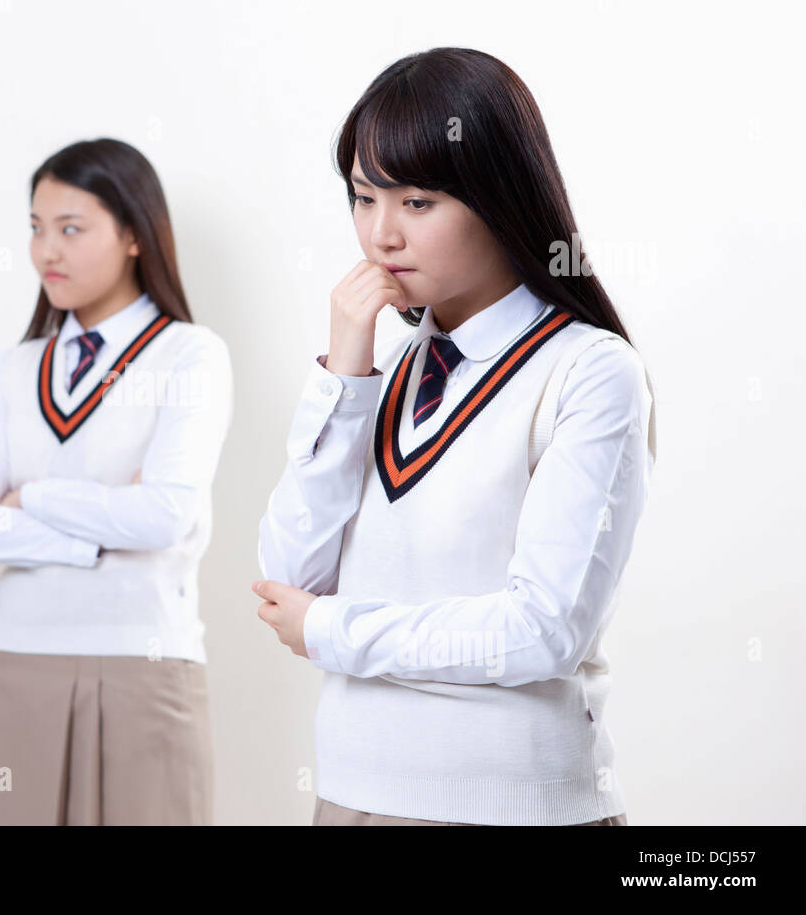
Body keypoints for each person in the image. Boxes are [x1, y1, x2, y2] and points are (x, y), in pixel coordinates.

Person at [255, 48, 657, 826]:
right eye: (363, 199)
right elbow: (287, 574)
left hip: (511, 808)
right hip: (348, 797)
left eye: (417, 202)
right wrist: (344, 372)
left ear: (501, 196)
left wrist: (334, 630)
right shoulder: (384, 373)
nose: (381, 236)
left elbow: (539, 630)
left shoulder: (587, 372)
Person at [0, 138, 233, 825]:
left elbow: (164, 516)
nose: (48, 252)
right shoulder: (15, 368)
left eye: (71, 229)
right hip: (15, 662)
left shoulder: (190, 355)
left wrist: (31, 498)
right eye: (38, 230)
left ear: (133, 234)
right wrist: (100, 532)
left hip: (143, 664)